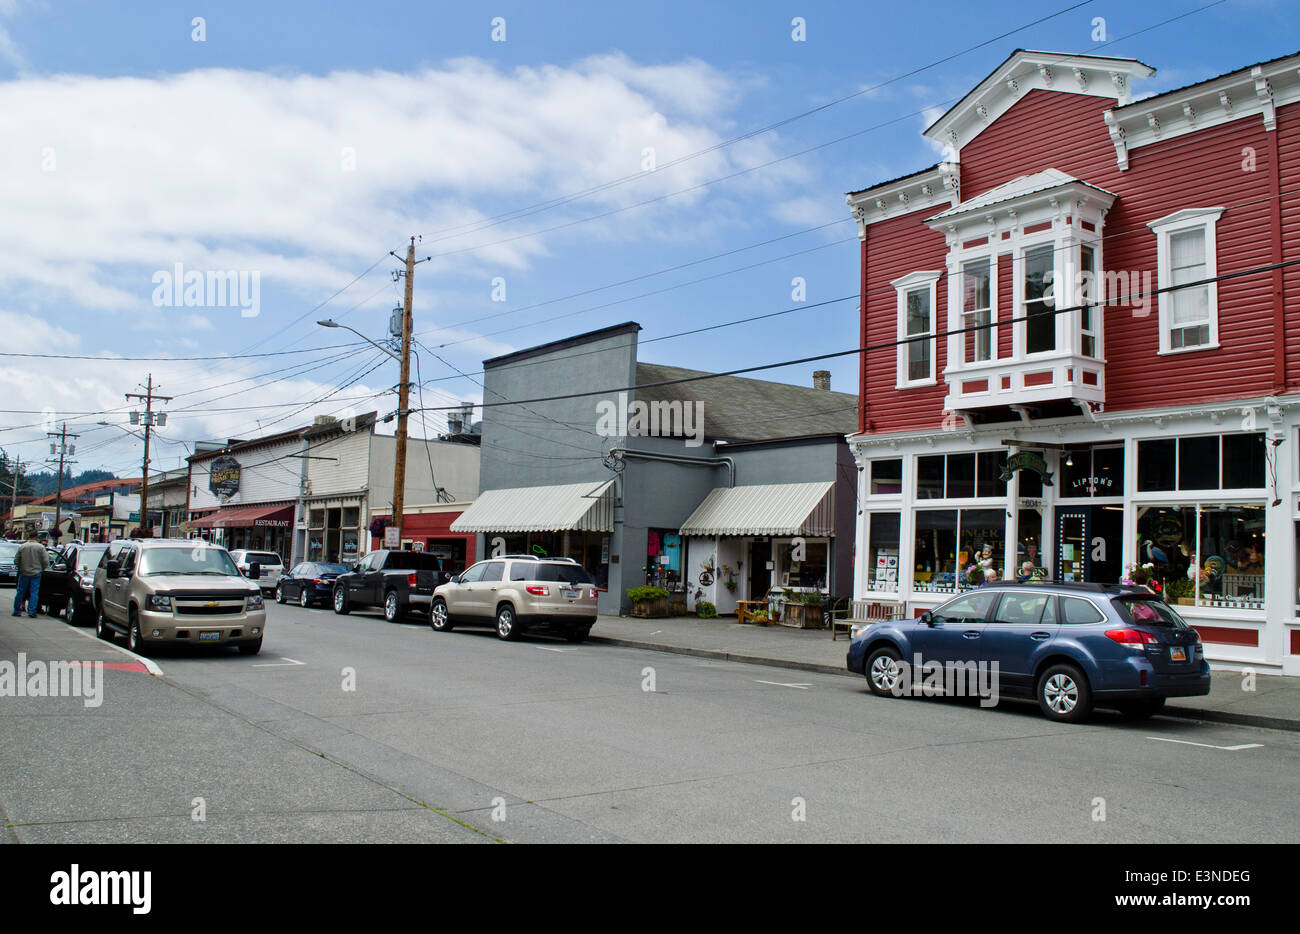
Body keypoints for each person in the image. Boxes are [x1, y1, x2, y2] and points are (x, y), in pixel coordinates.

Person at [13, 531, 48, 618]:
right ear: (36, 537)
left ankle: (17, 610)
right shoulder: (40, 547)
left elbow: (16, 560)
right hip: (36, 572)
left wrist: (20, 568)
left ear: (29, 536)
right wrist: (42, 568)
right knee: (34, 592)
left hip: (24, 572)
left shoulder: (22, 546)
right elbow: (45, 561)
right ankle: (32, 611)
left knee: (20, 592)